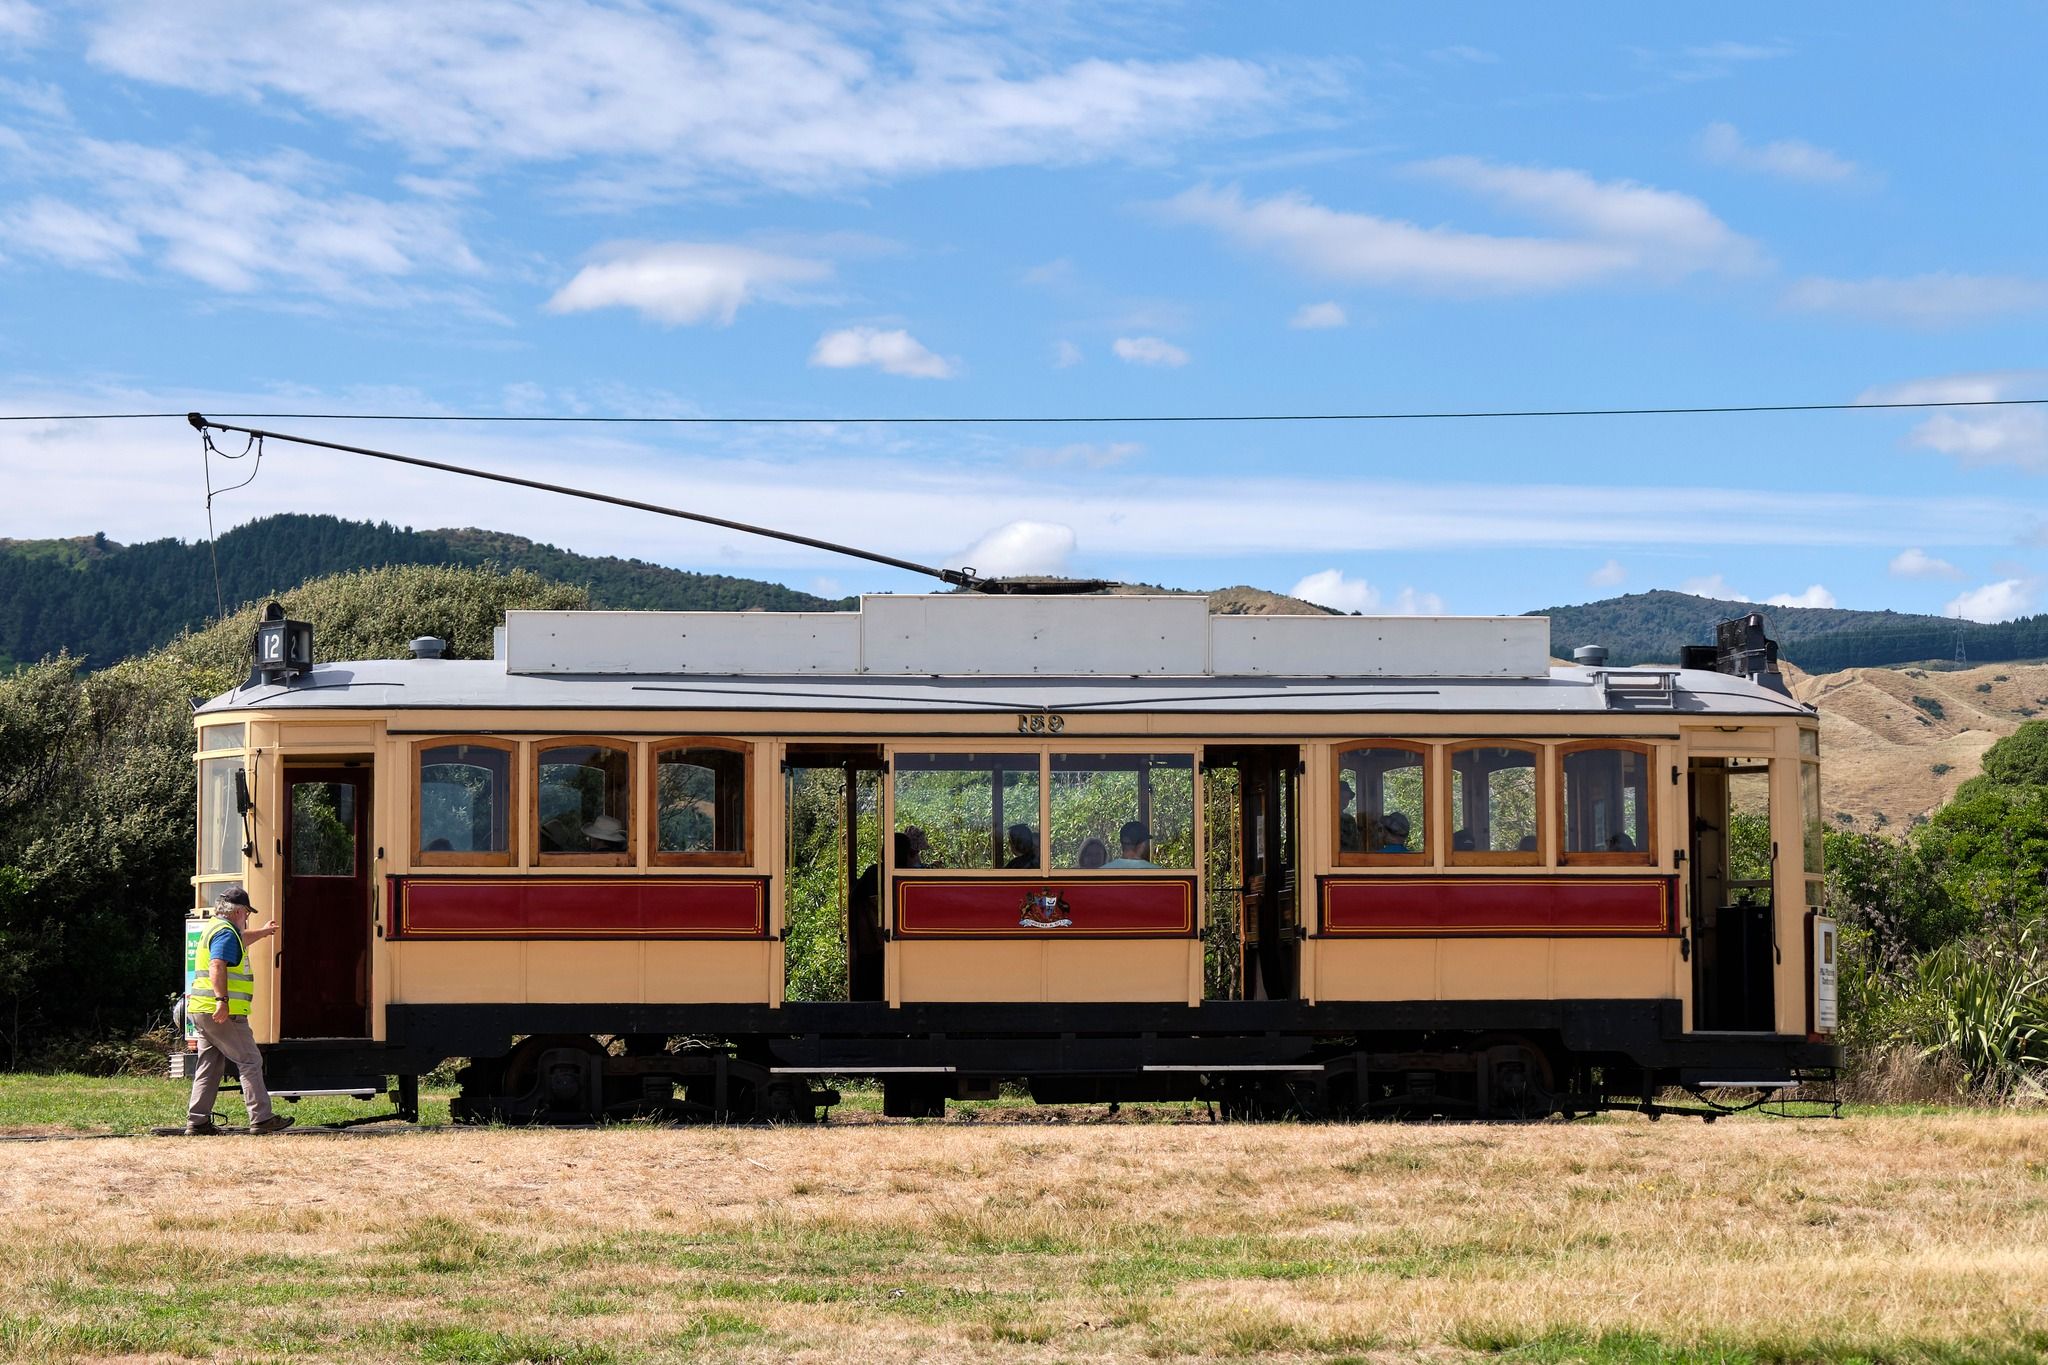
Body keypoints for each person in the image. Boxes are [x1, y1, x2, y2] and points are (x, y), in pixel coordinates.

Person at [185, 889, 294, 1135]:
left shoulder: (218, 928)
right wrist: (222, 1001)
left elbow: (240, 940)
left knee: (210, 1066)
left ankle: (198, 1121)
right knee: (250, 1060)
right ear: (237, 911)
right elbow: (217, 964)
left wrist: (264, 933)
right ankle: (262, 1118)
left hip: (202, 1011)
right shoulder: (225, 932)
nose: (247, 917)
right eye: (246, 912)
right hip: (224, 1013)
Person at [1338, 780, 1365, 853]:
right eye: (1342, 797)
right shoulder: (1326, 818)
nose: (1344, 801)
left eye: (1347, 799)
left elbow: (1356, 843)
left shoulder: (1350, 819)